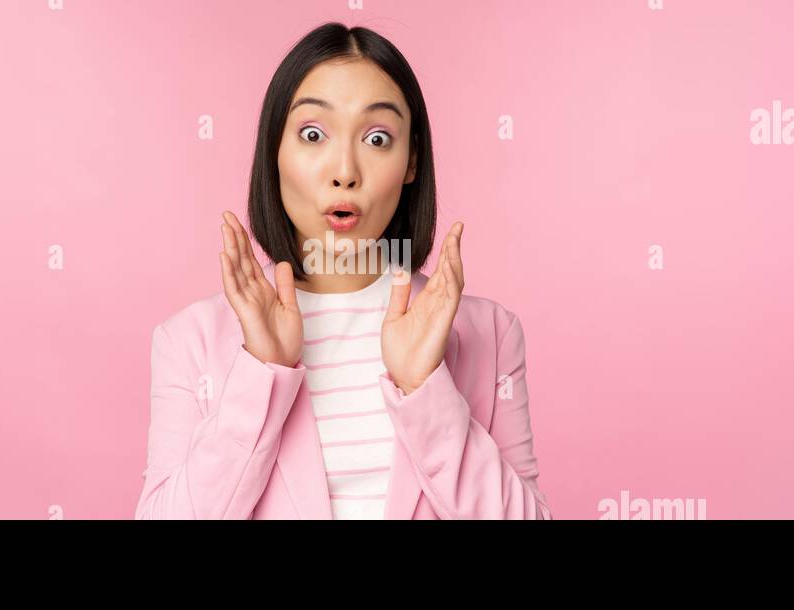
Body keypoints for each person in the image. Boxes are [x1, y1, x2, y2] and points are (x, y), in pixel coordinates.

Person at [135, 22, 552, 520]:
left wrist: (424, 386)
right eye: (313, 134)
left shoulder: (491, 335)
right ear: (275, 151)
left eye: (377, 138)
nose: (345, 170)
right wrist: (261, 373)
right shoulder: (188, 340)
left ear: (411, 160)